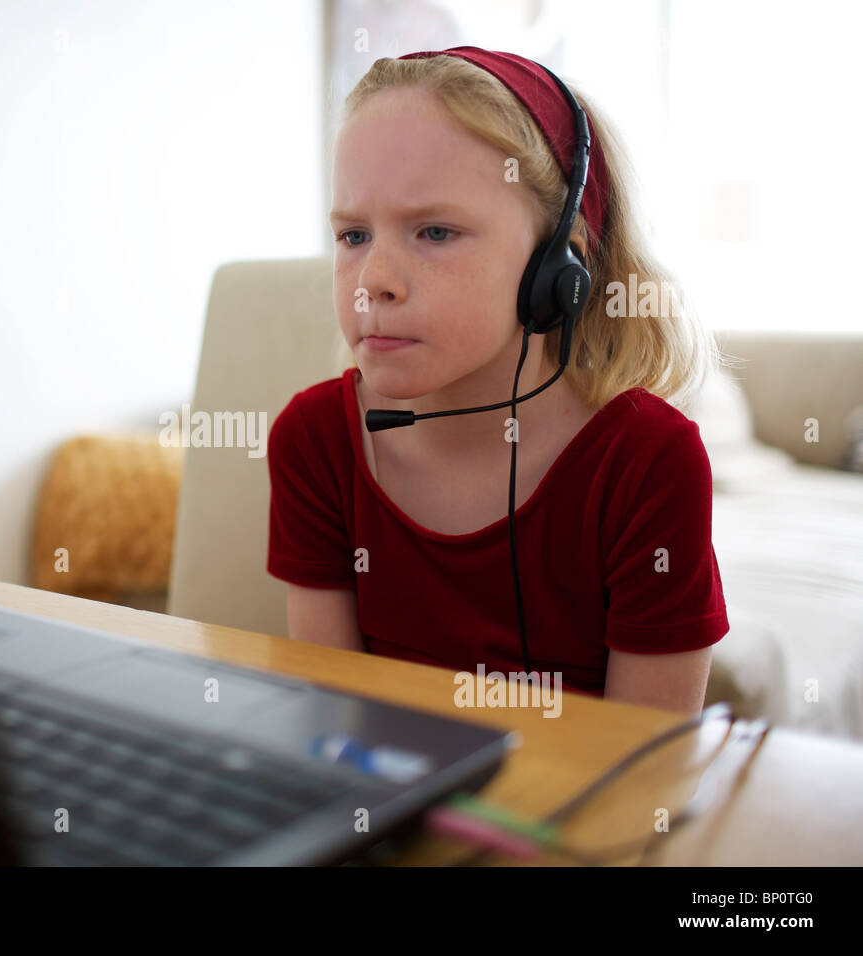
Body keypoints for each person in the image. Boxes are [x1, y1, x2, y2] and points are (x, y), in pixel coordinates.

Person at [266, 48, 729, 715]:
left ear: (557, 269)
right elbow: (334, 729)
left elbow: (645, 777)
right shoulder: (315, 442)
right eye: (354, 235)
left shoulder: (647, 464)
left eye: (434, 231)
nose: (373, 281)